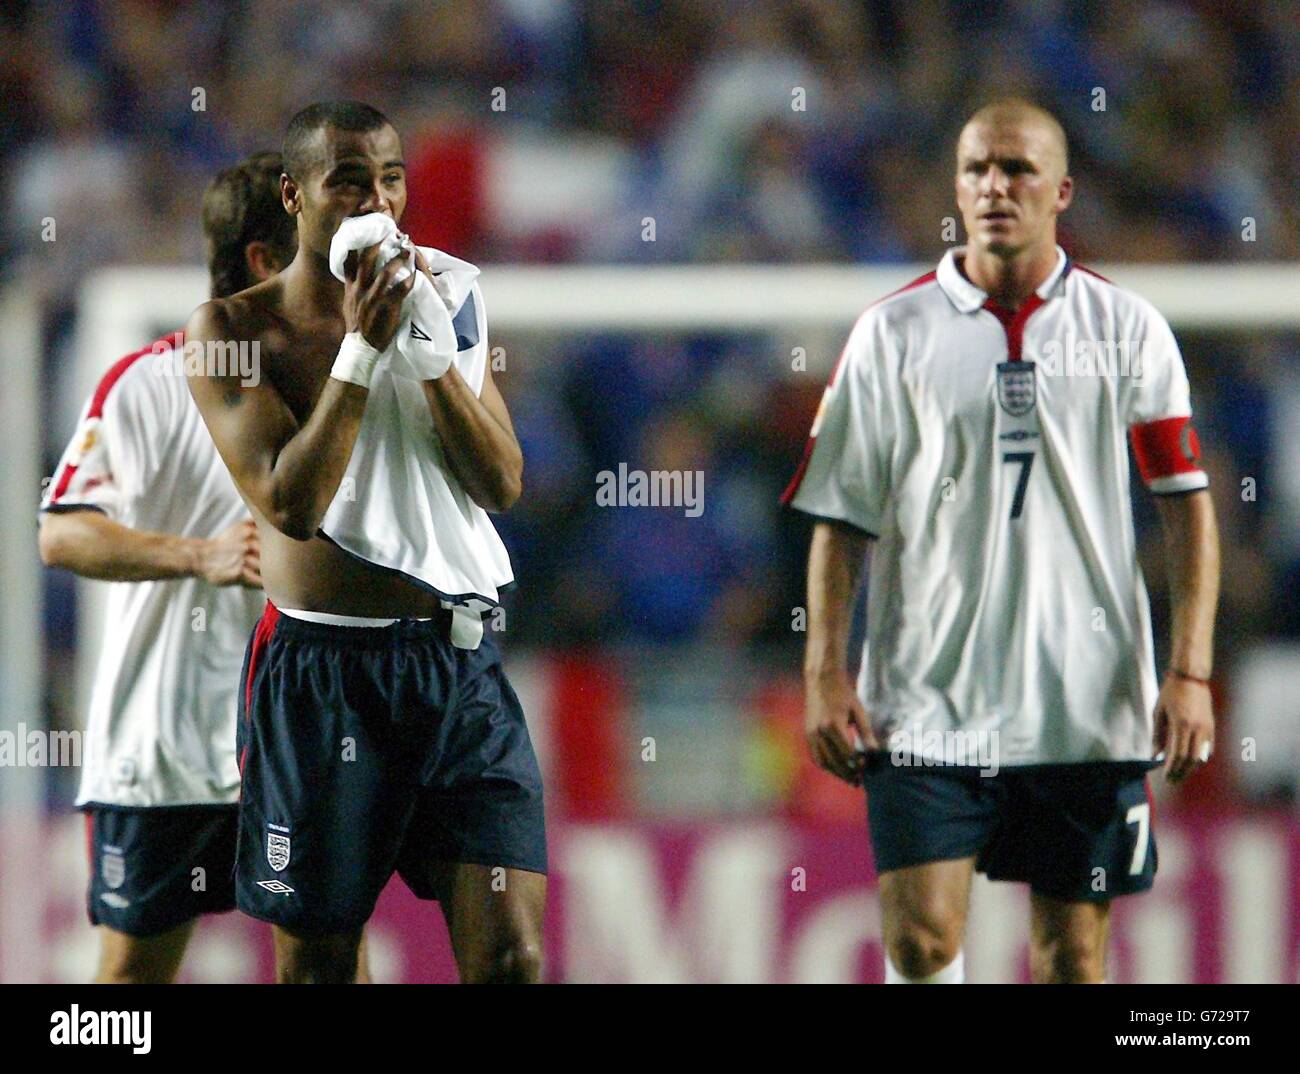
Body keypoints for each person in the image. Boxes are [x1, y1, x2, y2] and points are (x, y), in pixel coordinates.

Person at [785, 99, 1220, 984]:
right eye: (977, 169)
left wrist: (1191, 670)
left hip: (1083, 705)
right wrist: (826, 670)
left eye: (1016, 169)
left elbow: (1186, 504)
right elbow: (842, 517)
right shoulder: (891, 334)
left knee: (1072, 957)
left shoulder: (1126, 329)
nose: (994, 186)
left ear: (1060, 190)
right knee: (921, 941)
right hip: (925, 700)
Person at [185, 101, 546, 984]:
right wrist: (358, 353)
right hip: (323, 678)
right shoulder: (232, 333)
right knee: (320, 969)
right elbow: (292, 503)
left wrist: (427, 357)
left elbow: (501, 482)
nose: (375, 201)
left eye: (389, 179)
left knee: (513, 958)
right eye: (348, 181)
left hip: (457, 668)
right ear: (295, 194)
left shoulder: (447, 299)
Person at [39, 153, 291, 982]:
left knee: (330, 959)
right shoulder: (143, 385)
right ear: (264, 259)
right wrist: (198, 555)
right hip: (162, 747)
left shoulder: (333, 385)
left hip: (296, 742)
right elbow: (64, 535)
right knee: (130, 987)